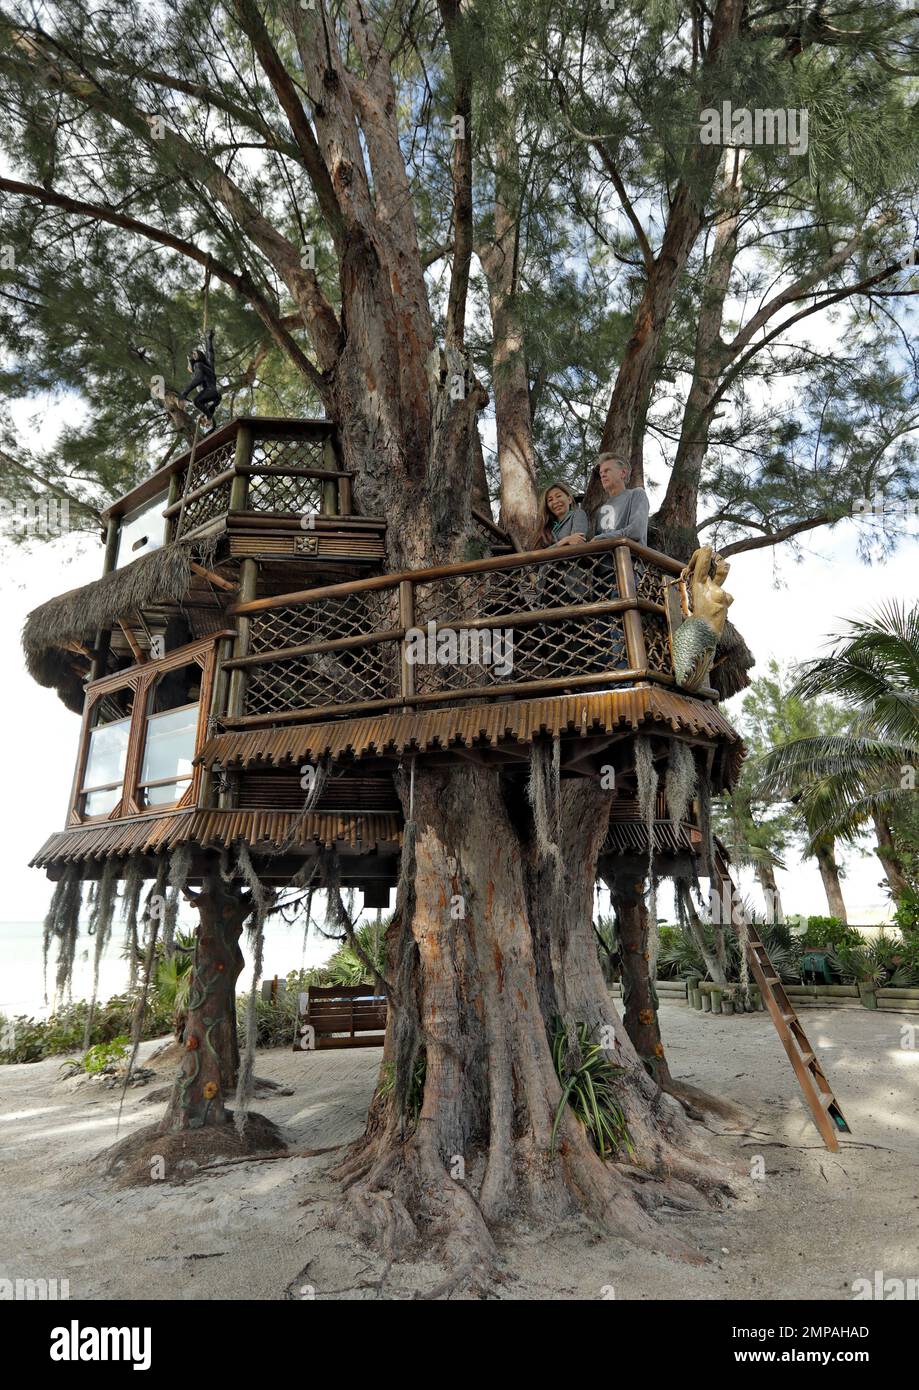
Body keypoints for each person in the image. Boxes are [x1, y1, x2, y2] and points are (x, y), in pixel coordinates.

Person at [592, 453, 649, 546]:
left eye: (607, 470)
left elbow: (636, 531)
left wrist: (599, 539)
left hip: (631, 558)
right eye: (601, 473)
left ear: (622, 473)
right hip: (604, 560)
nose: (602, 475)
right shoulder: (601, 510)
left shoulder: (637, 494)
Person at [180, 327, 222, 427]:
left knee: (196, 400)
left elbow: (210, 353)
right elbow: (209, 354)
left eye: (195, 354)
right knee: (197, 402)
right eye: (192, 356)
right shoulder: (201, 369)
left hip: (211, 391)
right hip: (212, 394)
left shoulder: (203, 366)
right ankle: (208, 417)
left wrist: (208, 338)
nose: (193, 356)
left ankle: (208, 416)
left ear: (200, 355)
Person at [530, 481, 589, 549]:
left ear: (569, 499)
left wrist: (552, 548)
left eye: (558, 496)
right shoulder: (545, 527)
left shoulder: (578, 514)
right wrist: (565, 540)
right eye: (550, 500)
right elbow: (538, 554)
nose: (555, 501)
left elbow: (577, 542)